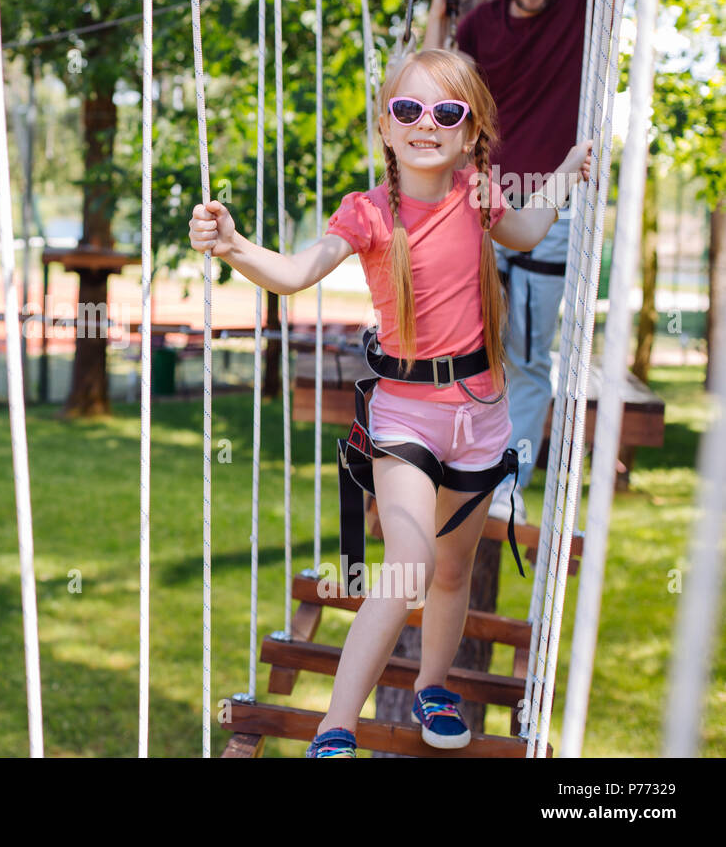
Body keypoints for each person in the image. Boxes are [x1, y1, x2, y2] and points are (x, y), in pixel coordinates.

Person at [189, 49, 591, 757]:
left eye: (446, 112)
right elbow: (293, 272)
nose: (425, 124)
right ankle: (334, 727)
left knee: (452, 570)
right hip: (406, 416)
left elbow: (527, 232)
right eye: (408, 109)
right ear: (386, 124)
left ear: (470, 133)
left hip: (481, 416)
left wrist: (567, 173)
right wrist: (234, 247)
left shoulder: (477, 192)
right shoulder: (370, 213)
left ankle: (436, 686)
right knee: (406, 563)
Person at [424, 0, 640, 525]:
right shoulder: (481, 26)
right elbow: (433, 81)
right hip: (480, 204)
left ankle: (506, 485)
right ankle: (448, 466)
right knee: (458, 346)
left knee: (527, 358)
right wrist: (441, 5)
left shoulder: (581, 11)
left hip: (554, 209)